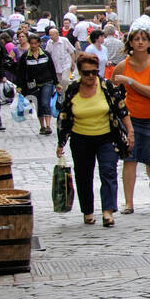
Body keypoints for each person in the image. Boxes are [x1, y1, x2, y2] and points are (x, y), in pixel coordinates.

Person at [56, 53, 133, 227]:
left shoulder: (106, 87)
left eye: (94, 72)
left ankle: (107, 211)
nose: (91, 76)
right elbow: (64, 116)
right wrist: (61, 142)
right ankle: (88, 211)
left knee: (108, 172)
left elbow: (122, 109)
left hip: (106, 137)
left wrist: (130, 131)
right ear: (79, 72)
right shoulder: (73, 89)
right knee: (83, 176)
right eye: (86, 73)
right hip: (80, 138)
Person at [109, 28, 150, 213]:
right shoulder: (123, 65)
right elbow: (111, 88)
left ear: (149, 43)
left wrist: (131, 81)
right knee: (130, 158)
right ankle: (129, 202)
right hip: (132, 117)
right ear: (130, 43)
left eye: (144, 39)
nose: (140, 42)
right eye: (136, 39)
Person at [15, 31, 57, 135]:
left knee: (45, 102)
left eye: (35, 43)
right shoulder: (25, 57)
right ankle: (42, 126)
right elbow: (21, 72)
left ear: (39, 44)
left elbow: (52, 69)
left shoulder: (45, 55)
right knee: (38, 104)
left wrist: (57, 83)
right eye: (32, 43)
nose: (33, 45)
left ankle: (48, 126)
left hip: (47, 81)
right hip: (33, 84)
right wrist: (19, 86)